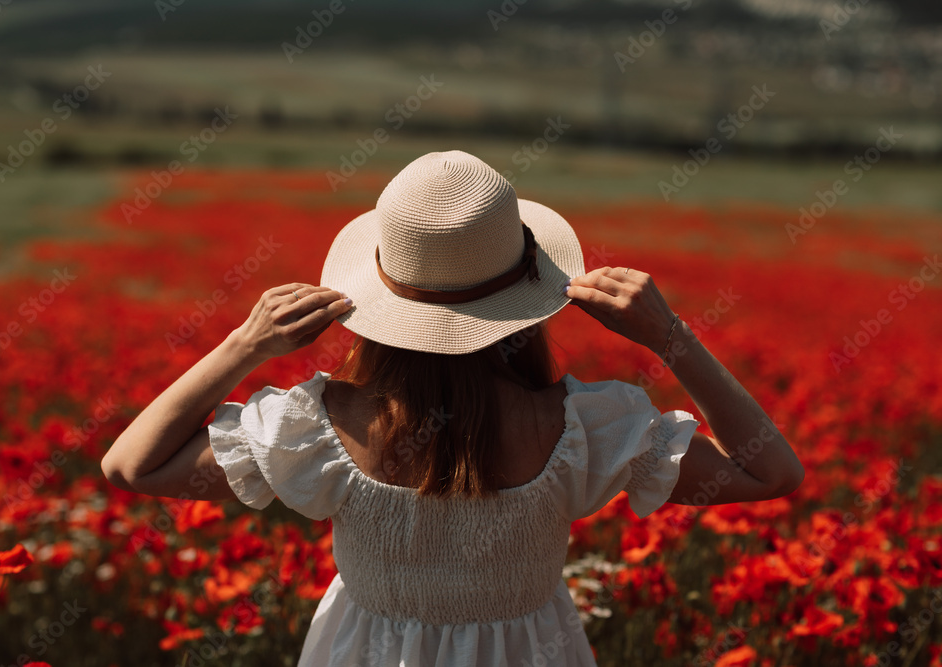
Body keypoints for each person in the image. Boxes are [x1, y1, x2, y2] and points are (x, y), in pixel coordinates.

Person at [101, 150, 805, 666]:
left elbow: (130, 464)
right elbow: (772, 472)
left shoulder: (316, 428)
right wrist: (672, 339)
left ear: (379, 295)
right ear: (528, 298)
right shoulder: (586, 429)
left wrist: (243, 344)